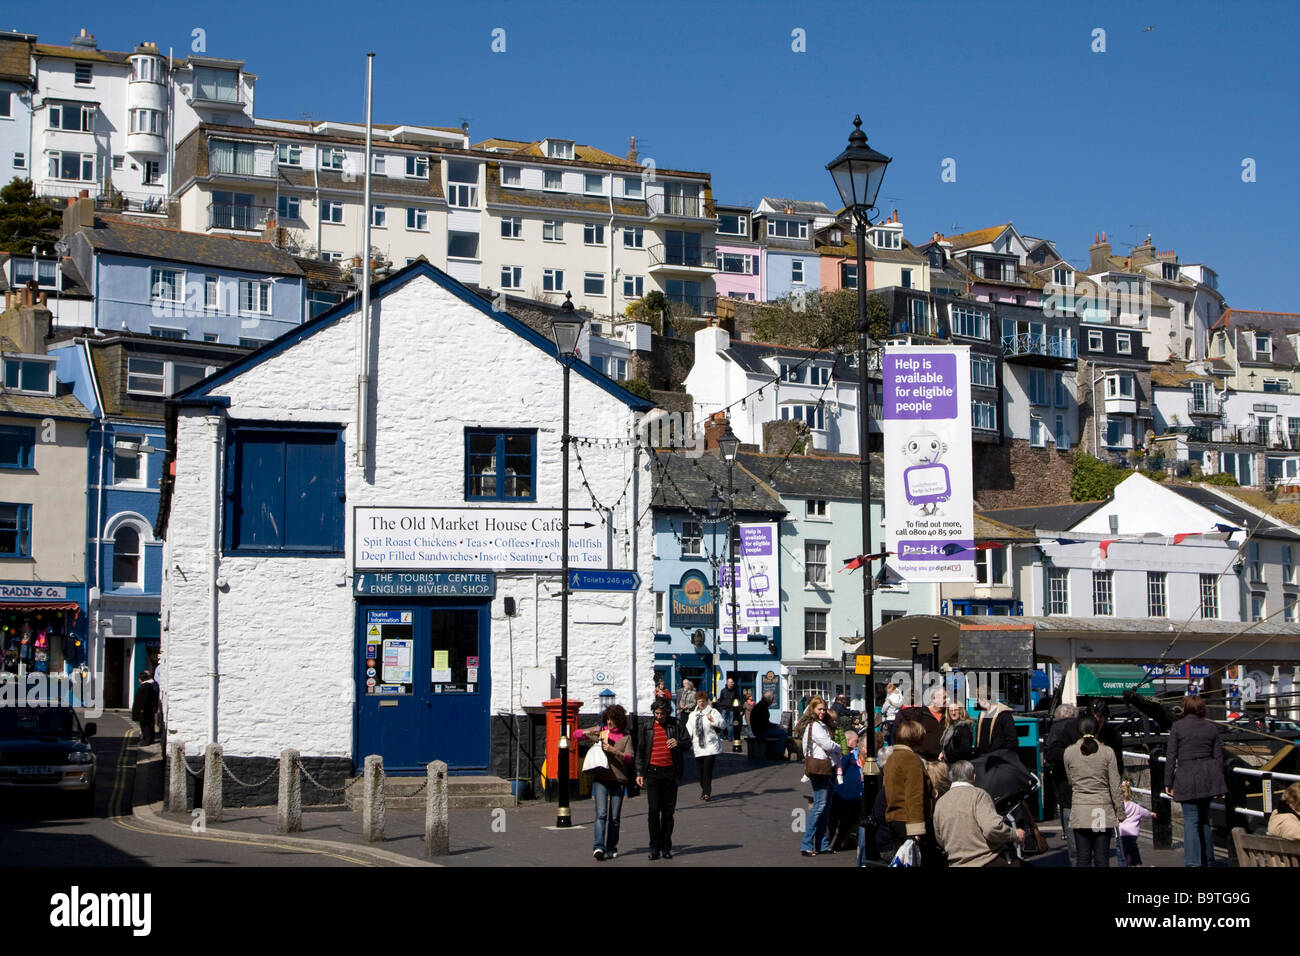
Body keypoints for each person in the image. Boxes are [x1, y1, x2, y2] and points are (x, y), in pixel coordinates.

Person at [1165, 694, 1226, 867]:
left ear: (1185, 708)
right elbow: (1218, 757)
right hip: (1207, 777)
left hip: (1187, 776)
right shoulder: (1211, 728)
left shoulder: (1178, 727)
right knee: (1204, 818)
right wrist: (1219, 782)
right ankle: (1208, 858)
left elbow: (1171, 756)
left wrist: (1168, 781)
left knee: (1191, 820)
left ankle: (1193, 862)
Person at [933, 760, 1024, 867]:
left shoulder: (941, 802)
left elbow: (940, 838)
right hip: (985, 860)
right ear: (974, 777)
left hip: (956, 863)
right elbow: (992, 828)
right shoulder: (979, 795)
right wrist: (1014, 834)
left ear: (951, 778)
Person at [1064, 712, 1126, 867]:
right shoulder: (1107, 752)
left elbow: (1071, 780)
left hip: (1080, 808)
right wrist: (1120, 811)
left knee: (1083, 857)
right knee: (1102, 858)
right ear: (1097, 729)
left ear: (1078, 730)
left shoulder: (1069, 752)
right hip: (1101, 808)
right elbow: (1115, 784)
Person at [578, 704, 635, 860]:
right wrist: (589, 732)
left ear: (619, 720)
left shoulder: (626, 737)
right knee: (601, 814)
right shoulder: (602, 732)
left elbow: (630, 758)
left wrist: (614, 751)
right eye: (608, 719)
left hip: (619, 779)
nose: (609, 723)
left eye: (613, 720)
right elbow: (577, 734)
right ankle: (598, 847)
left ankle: (611, 847)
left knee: (615, 817)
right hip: (601, 778)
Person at [636, 697, 690, 860]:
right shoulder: (647, 726)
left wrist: (678, 742)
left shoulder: (676, 724)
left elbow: (687, 743)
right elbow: (640, 750)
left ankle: (666, 846)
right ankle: (654, 847)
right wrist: (639, 772)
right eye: (656, 713)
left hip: (670, 772)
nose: (659, 716)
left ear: (667, 712)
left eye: (662, 713)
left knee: (668, 813)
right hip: (652, 773)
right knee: (653, 812)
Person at [793, 697, 841, 857]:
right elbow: (827, 745)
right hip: (820, 768)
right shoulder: (815, 726)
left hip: (828, 767)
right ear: (813, 709)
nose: (822, 712)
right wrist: (839, 746)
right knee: (820, 806)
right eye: (819, 709)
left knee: (825, 807)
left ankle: (822, 844)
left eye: (823, 709)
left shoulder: (823, 724)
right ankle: (806, 844)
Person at [883, 719, 934, 862]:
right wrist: (916, 829)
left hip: (895, 819)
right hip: (908, 820)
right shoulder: (911, 759)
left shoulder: (892, 758)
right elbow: (914, 795)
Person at [1042, 703, 1080, 865]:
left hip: (1064, 781)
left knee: (1069, 817)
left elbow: (1050, 753)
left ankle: (1075, 858)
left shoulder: (1055, 728)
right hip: (1084, 783)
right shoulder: (1079, 726)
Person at [684, 690, 724, 801]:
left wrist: (713, 720)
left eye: (703, 701)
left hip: (710, 746)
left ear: (706, 701)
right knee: (700, 771)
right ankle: (704, 790)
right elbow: (688, 729)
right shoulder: (693, 715)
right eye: (698, 701)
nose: (700, 703)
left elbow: (723, 724)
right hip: (698, 746)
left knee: (707, 769)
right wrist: (686, 739)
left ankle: (707, 793)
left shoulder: (713, 712)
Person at [828, 730, 863, 852]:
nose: (857, 744)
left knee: (846, 820)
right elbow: (840, 768)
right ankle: (827, 842)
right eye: (856, 741)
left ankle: (837, 843)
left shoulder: (857, 755)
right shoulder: (846, 756)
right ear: (848, 742)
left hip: (854, 795)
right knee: (834, 819)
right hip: (841, 793)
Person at [899, 686, 946, 760]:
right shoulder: (921, 713)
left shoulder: (948, 714)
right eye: (944, 697)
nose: (946, 700)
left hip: (943, 760)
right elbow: (911, 733)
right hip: (924, 759)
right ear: (934, 698)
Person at [1117, 780, 1153, 867]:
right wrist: (1151, 814)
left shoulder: (1118, 807)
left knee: (1121, 854)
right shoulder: (1135, 806)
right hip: (1133, 835)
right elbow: (1145, 813)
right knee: (1134, 851)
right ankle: (1137, 864)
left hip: (1121, 834)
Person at [749, 690, 791, 759]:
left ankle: (775, 751)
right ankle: (778, 753)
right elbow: (765, 724)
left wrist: (775, 726)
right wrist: (776, 726)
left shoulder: (760, 705)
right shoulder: (762, 707)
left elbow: (764, 722)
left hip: (758, 730)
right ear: (769, 699)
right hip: (761, 731)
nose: (772, 701)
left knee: (779, 732)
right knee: (783, 733)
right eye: (772, 699)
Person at [131, 670, 159, 746]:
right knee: (148, 725)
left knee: (145, 726)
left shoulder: (145, 687)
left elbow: (144, 699)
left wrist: (142, 708)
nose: (138, 680)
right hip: (146, 710)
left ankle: (146, 741)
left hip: (144, 711)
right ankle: (149, 740)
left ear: (141, 679)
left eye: (139, 678)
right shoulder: (148, 686)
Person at [716, 677, 741, 742]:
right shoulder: (723, 690)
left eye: (732, 682)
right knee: (722, 723)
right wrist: (719, 706)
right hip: (724, 709)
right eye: (731, 682)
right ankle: (722, 736)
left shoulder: (735, 691)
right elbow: (721, 699)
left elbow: (738, 700)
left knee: (730, 724)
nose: (733, 683)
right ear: (727, 683)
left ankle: (730, 738)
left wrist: (740, 709)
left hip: (731, 709)